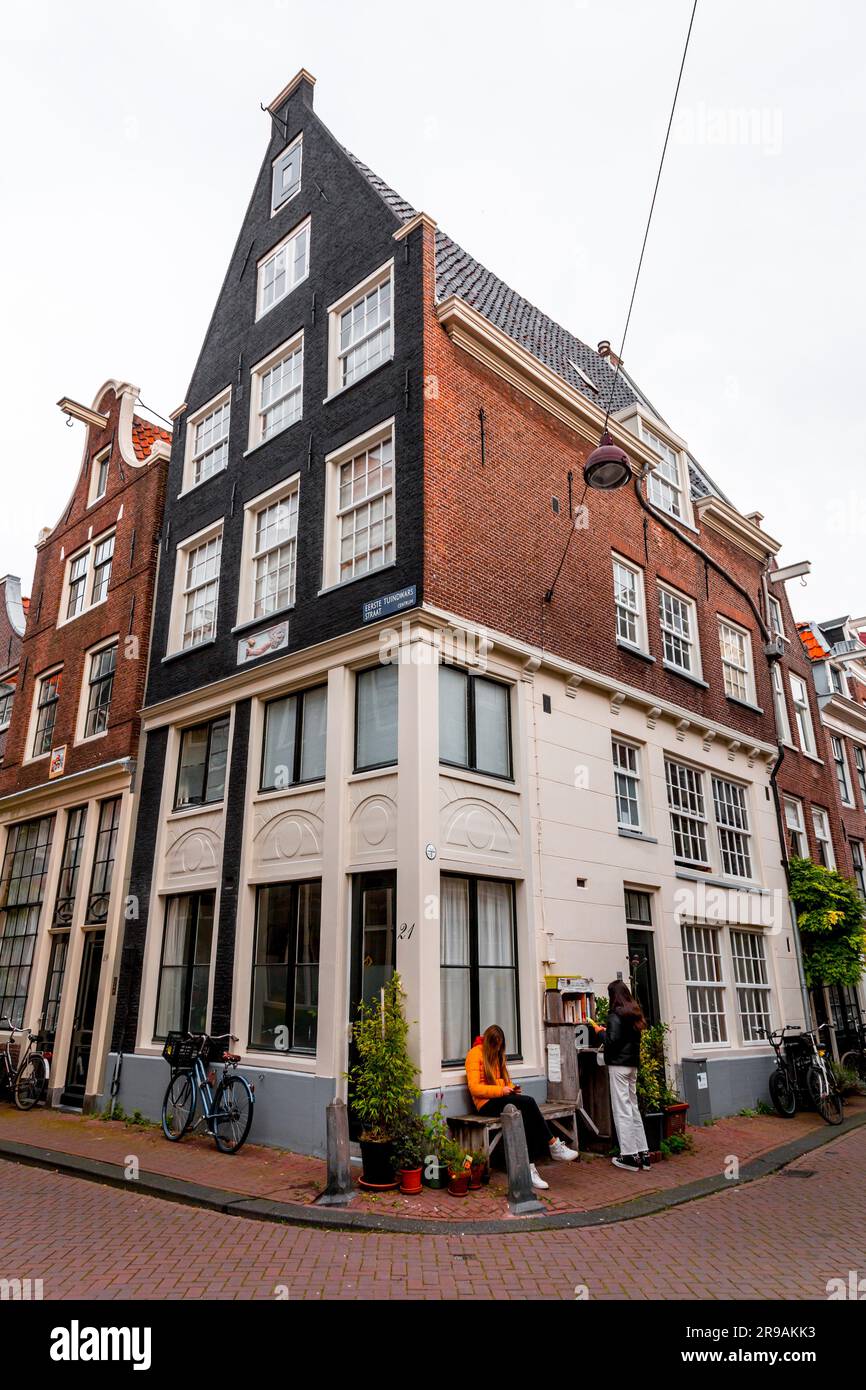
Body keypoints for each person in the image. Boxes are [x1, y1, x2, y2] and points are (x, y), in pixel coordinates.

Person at [465, 1024, 578, 1190]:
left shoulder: (498, 1055)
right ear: (489, 1042)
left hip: (499, 1098)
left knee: (527, 1112)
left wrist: (511, 1088)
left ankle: (530, 1168)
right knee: (530, 1103)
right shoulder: (474, 1054)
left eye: (500, 1046)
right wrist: (502, 1089)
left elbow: (504, 1081)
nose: (497, 1049)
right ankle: (553, 1145)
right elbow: (475, 1088)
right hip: (484, 1104)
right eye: (495, 1045)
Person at [598, 980, 650, 1172]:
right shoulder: (634, 1013)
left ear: (613, 996)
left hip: (618, 1065)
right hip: (632, 1065)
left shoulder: (615, 1015)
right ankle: (643, 1153)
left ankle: (628, 1156)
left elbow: (612, 1042)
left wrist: (600, 1033)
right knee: (633, 1107)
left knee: (622, 1108)